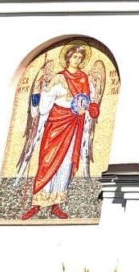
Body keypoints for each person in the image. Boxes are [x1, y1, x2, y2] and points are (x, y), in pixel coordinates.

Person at [18, 44, 100, 220]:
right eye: (74, 57)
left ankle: (56, 203)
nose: (77, 60)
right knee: (47, 160)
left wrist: (89, 108)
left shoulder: (84, 78)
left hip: (73, 124)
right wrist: (39, 91)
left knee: (66, 162)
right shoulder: (58, 78)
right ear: (68, 58)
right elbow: (44, 105)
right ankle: (37, 203)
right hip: (55, 123)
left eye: (80, 58)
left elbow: (87, 101)